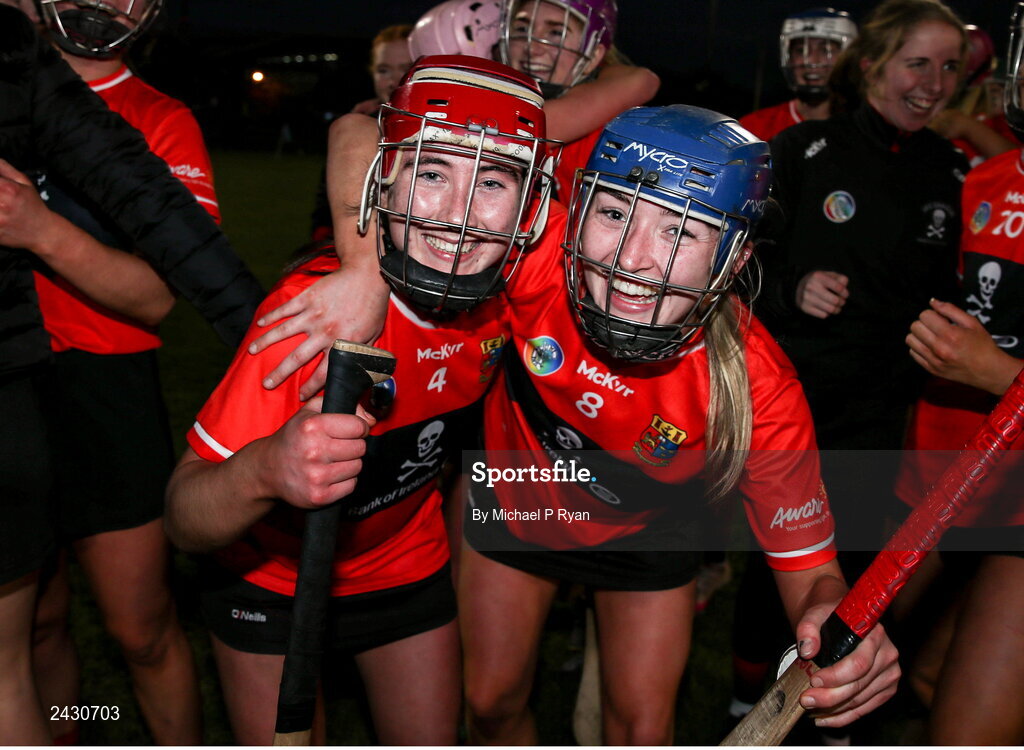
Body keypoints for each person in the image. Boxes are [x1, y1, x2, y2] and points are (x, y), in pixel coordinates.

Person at [257, 103, 901, 745]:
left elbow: (812, 574)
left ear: (734, 260)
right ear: (578, 209)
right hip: (520, 498)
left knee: (641, 732)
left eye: (680, 231)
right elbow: (357, 128)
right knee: (488, 704)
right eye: (615, 214)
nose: (633, 258)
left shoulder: (760, 390)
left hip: (646, 526)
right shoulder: (537, 251)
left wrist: (831, 617)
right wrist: (363, 267)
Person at [163, 55, 559, 745]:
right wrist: (265, 471)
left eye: (493, 181)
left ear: (531, 206)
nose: (460, 213)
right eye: (432, 172)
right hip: (271, 579)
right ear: (386, 179)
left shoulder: (509, 297)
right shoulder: (318, 316)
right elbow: (182, 517)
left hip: (407, 560)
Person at [0, 3, 263, 743]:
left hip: (103, 389)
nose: (110, 5)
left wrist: (40, 230)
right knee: (38, 625)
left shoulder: (160, 117)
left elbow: (156, 298)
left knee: (139, 630)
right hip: (14, 386)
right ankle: (69, 728)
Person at [891, 4, 1024, 742]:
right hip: (944, 473)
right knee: (915, 672)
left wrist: (999, 373)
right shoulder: (982, 179)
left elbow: (987, 359)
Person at [310, 23, 414, 241]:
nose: (393, 80)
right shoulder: (360, 125)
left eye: (406, 69)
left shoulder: (447, 130)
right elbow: (326, 201)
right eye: (383, 70)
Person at [739, 7, 857, 142]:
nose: (812, 61)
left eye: (826, 50)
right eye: (801, 51)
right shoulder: (754, 127)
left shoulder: (865, 128)